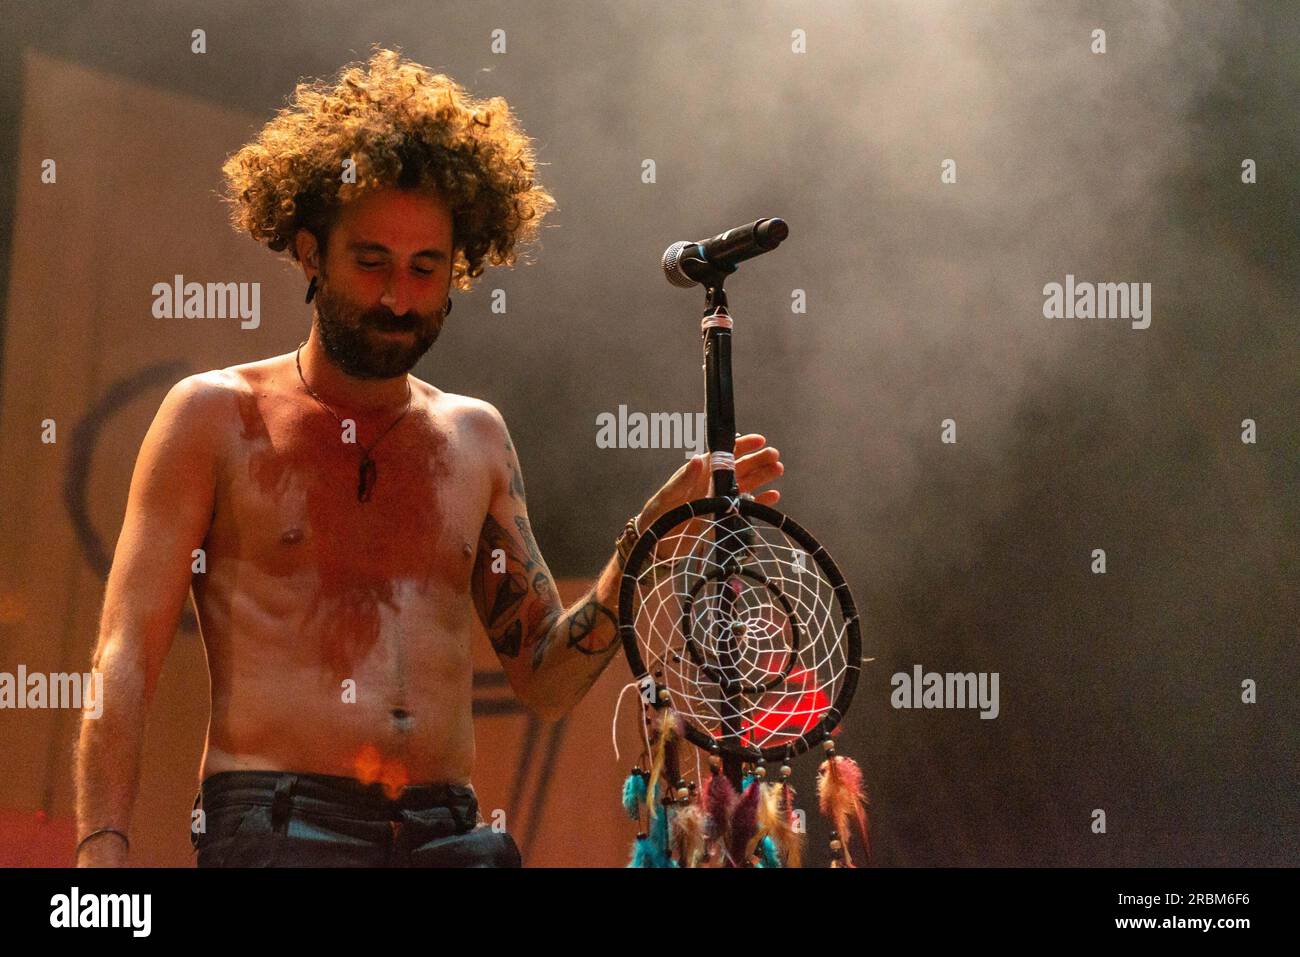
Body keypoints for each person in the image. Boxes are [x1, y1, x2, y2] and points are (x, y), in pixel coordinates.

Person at [73, 47, 783, 867]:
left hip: (452, 835)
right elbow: (124, 648)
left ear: (458, 272)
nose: (398, 297)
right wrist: (100, 850)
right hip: (279, 827)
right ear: (310, 253)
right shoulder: (211, 416)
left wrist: (648, 539)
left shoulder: (475, 436)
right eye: (370, 262)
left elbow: (545, 678)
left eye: (425, 269)